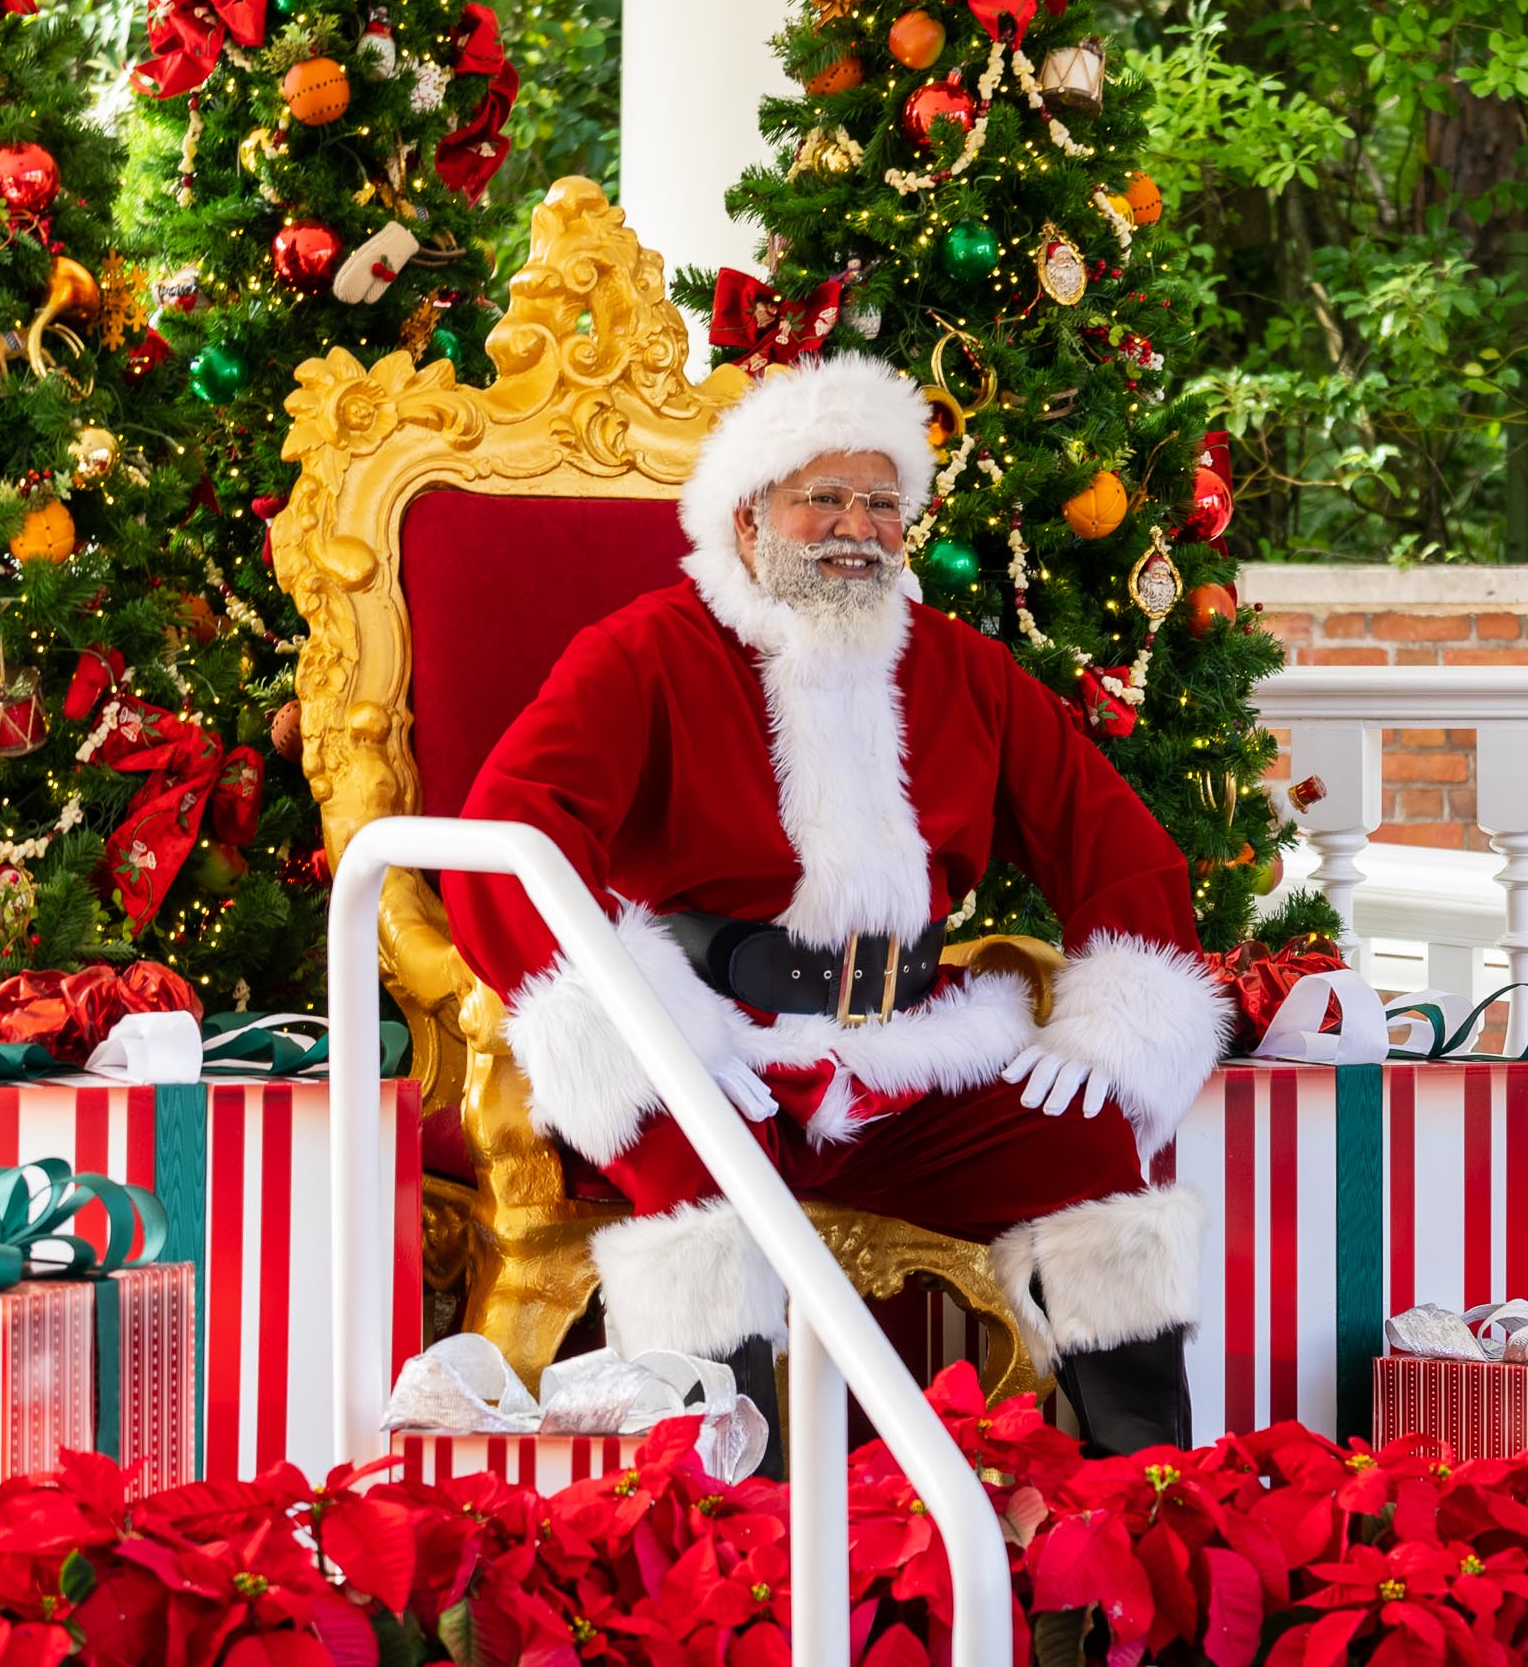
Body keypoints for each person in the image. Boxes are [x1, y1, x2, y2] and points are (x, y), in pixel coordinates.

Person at [442, 353, 1227, 1466]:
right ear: (747, 521)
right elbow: (506, 835)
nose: (854, 527)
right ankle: (723, 1533)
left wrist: (1120, 1023)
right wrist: (636, 1026)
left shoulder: (963, 669)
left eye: (879, 502)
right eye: (821, 498)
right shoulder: (646, 651)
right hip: (718, 1044)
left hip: (913, 1049)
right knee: (696, 1183)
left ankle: (1142, 1510)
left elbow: (1116, 845)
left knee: (1089, 1142)